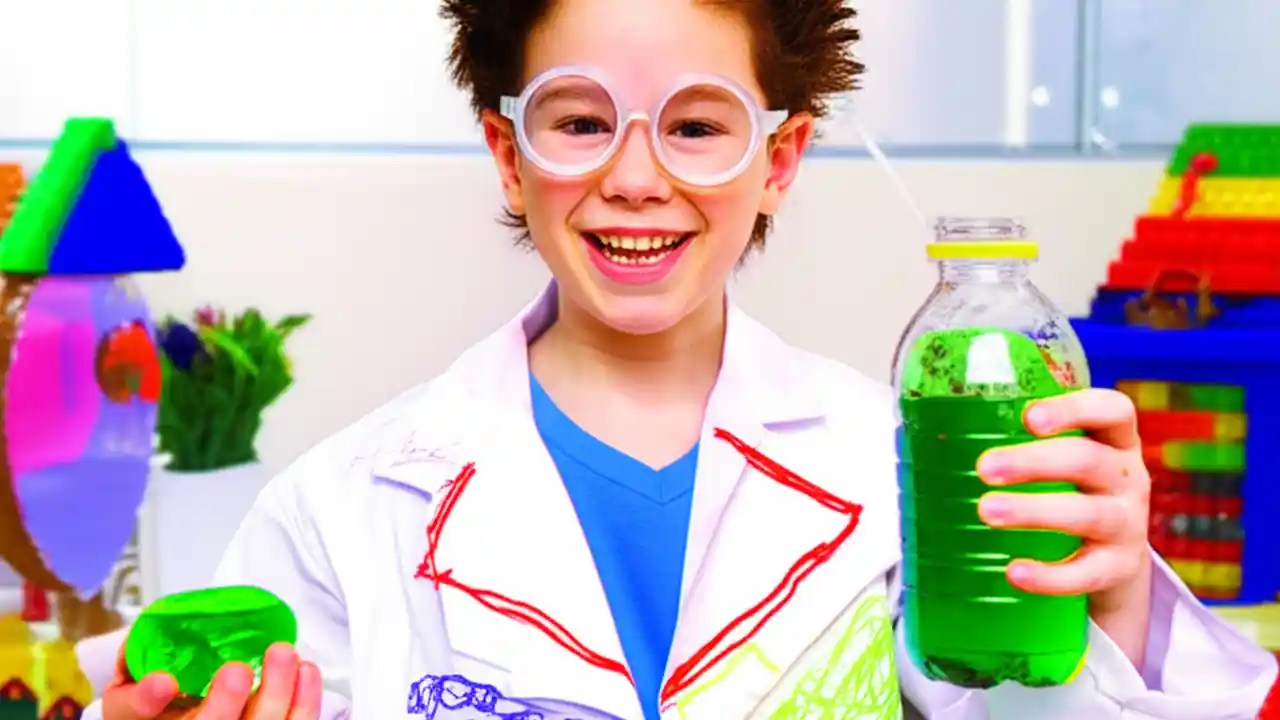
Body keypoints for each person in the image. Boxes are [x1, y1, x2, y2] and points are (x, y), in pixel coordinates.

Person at [88, 0, 1280, 717]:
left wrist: (1116, 609)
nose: (635, 176)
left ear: (778, 160)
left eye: (698, 125)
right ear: (509, 155)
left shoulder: (901, 472)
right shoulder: (346, 512)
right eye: (578, 120)